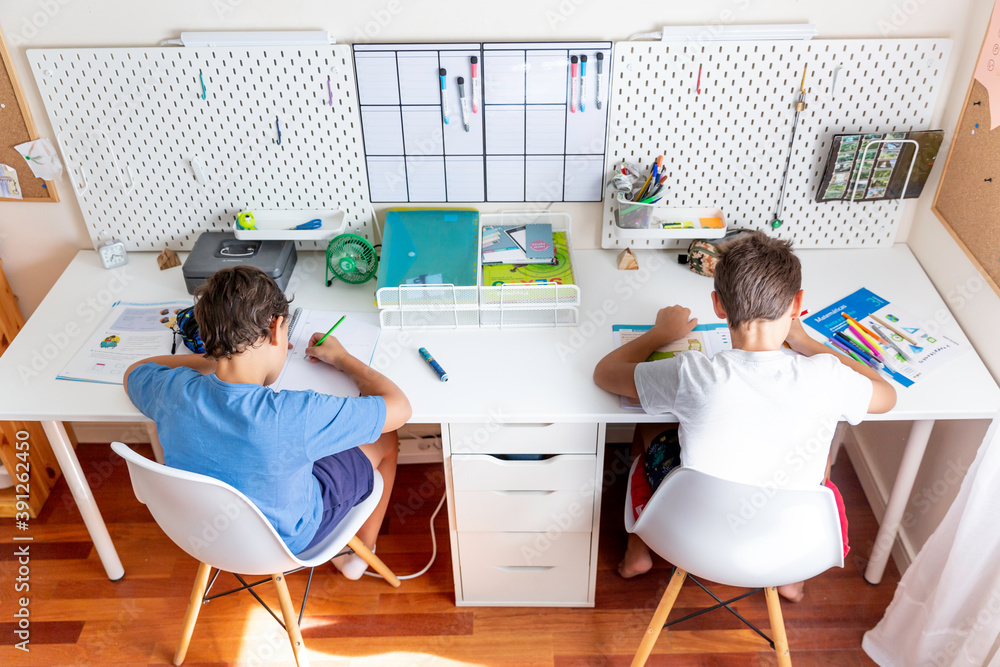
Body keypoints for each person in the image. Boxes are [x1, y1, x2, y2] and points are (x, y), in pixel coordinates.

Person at [593, 231, 896, 601]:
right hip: (795, 543)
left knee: (649, 423)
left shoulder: (693, 374)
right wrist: (807, 343)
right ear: (798, 304)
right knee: (819, 450)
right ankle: (791, 580)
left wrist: (660, 333)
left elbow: (605, 374)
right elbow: (886, 395)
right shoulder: (826, 376)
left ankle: (638, 553)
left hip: (692, 534)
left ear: (718, 305)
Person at [123, 265, 411, 579]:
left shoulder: (172, 392)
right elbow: (400, 409)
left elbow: (136, 370)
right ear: (276, 329)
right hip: (290, 538)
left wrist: (222, 354)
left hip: (202, 534)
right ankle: (353, 559)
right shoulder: (296, 413)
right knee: (386, 440)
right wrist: (341, 358)